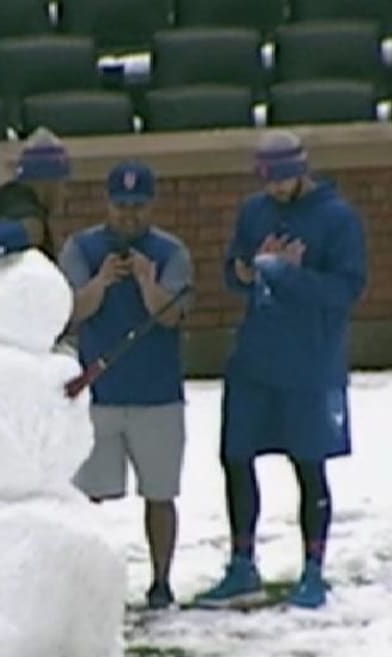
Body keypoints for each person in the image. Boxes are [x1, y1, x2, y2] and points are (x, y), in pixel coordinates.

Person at [193, 130, 366, 610]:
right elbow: (235, 268)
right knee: (236, 456)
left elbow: (346, 289)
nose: (274, 189)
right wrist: (245, 272)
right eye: (267, 180)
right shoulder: (255, 211)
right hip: (255, 360)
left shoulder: (337, 219)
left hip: (311, 363)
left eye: (283, 179)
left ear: (302, 171)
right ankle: (242, 563)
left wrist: (288, 275)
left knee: (309, 464)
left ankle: (313, 570)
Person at [58, 161, 193, 610]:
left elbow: (169, 315)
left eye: (137, 207)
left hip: (157, 394)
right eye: (121, 206)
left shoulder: (170, 252)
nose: (128, 216)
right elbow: (74, 311)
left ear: (150, 206)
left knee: (160, 493)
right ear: (107, 204)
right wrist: (101, 282)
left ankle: (160, 581)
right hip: (101, 395)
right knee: (88, 495)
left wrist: (145, 280)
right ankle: (86, 583)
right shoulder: (81, 247)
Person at [0, 127, 71, 258]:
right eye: (63, 184)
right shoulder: (30, 221)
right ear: (49, 180)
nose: (65, 193)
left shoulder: (9, 199)